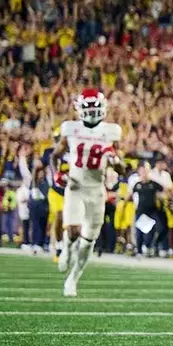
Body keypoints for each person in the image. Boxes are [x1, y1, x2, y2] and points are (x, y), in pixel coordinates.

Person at [55, 89, 123, 296]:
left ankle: (72, 279)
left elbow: (121, 167)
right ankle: (66, 246)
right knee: (74, 231)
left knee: (87, 241)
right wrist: (56, 173)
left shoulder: (112, 132)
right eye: (88, 108)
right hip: (75, 185)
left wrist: (115, 161)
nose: (92, 112)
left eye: (95, 108)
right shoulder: (70, 129)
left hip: (96, 190)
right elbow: (54, 155)